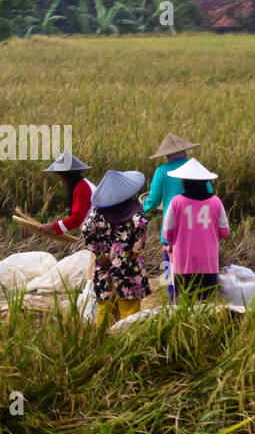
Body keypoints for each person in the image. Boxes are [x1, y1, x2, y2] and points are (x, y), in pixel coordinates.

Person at [142, 132, 211, 299]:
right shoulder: (195, 168)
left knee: (172, 272)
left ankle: (173, 300)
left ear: (167, 155)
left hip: (172, 232)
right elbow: (209, 192)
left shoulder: (162, 171)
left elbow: (153, 200)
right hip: (198, 229)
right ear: (184, 151)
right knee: (197, 273)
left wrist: (143, 207)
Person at [81, 170, 151, 326]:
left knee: (104, 311)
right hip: (128, 268)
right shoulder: (133, 210)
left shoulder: (97, 213)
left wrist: (99, 255)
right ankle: (127, 345)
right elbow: (142, 225)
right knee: (129, 314)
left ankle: (102, 345)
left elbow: (85, 230)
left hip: (104, 267)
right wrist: (136, 248)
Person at [161, 158, 229, 301]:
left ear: (184, 182)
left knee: (183, 303)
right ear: (205, 182)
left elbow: (167, 234)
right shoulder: (216, 201)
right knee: (207, 304)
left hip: (183, 262)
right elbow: (224, 231)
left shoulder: (176, 202)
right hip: (208, 262)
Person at [39, 151, 95, 237]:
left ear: (67, 177)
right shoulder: (83, 184)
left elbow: (77, 219)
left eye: (61, 176)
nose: (61, 180)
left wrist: (52, 226)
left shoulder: (81, 189)